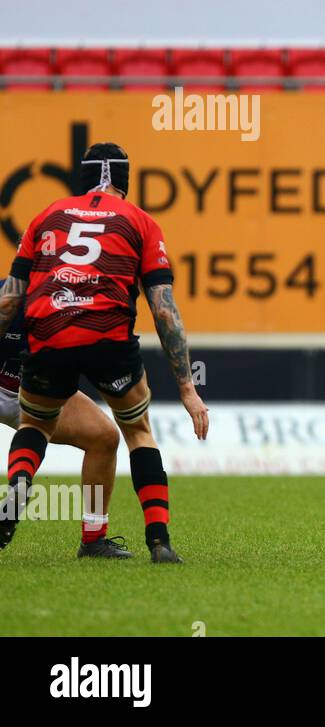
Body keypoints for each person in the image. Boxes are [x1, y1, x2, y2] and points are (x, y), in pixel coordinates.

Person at [0, 142, 209, 564]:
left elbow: (9, 301)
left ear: (80, 178)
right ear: (126, 183)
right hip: (106, 336)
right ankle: (159, 541)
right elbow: (164, 311)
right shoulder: (141, 222)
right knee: (136, 431)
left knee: (38, 425)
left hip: (45, 339)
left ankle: (15, 499)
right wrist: (188, 388)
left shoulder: (46, 216)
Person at [0, 301, 129, 557]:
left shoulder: (74, 302)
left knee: (104, 438)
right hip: (32, 389)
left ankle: (93, 539)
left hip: (40, 390)